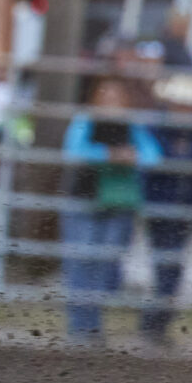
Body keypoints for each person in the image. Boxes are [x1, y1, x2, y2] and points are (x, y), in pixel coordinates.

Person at [61, 76, 161, 343]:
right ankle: (80, 327)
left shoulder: (133, 125)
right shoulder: (85, 121)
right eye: (106, 96)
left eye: (116, 97)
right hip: (85, 198)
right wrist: (109, 155)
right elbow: (73, 151)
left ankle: (93, 327)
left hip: (118, 202)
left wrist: (133, 156)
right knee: (82, 263)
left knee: (105, 265)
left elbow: (153, 155)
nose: (111, 102)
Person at [141, 73, 192, 345]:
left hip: (187, 207)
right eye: (180, 106)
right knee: (167, 265)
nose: (185, 111)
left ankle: (155, 322)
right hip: (161, 206)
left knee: (172, 266)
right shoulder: (157, 131)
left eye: (190, 106)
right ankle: (154, 323)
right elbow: (151, 161)